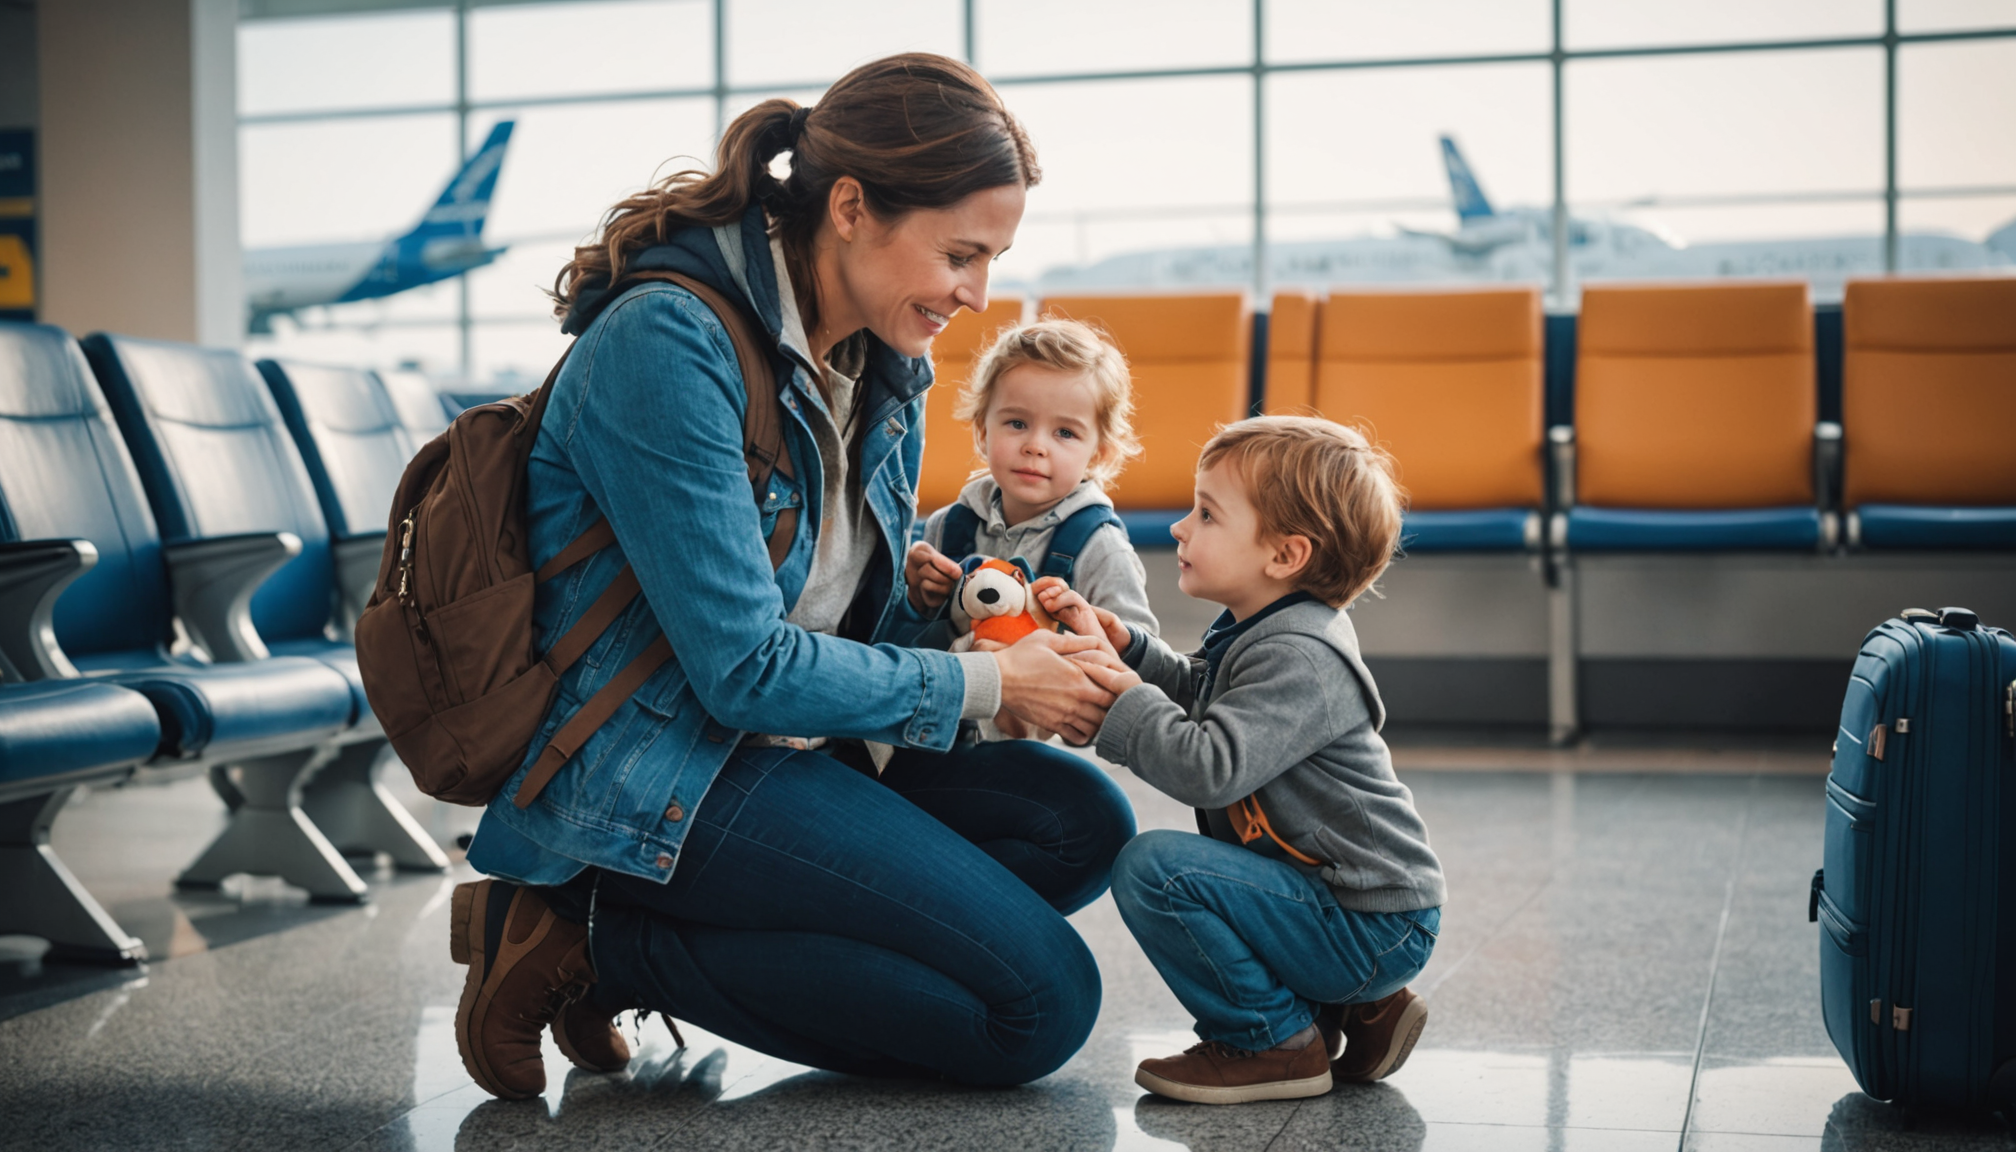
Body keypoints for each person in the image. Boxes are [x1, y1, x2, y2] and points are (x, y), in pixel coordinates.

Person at [445, 53, 1137, 1102]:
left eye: (990, 259)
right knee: (1036, 1011)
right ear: (852, 208)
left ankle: (653, 926)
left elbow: (838, 613)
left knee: (1083, 824)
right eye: (960, 253)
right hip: (665, 762)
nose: (976, 292)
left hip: (792, 745)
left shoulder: (881, 360)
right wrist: (993, 687)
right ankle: (587, 937)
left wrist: (965, 610)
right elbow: (743, 669)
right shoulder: (668, 342)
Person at [1040, 415, 1446, 1105]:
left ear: (1284, 556)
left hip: (1368, 919)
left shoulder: (1299, 656)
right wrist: (1131, 649)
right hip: (1343, 901)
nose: (1180, 528)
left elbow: (1210, 764)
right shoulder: (1265, 628)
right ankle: (1352, 1007)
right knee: (1196, 871)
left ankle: (1274, 1041)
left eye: (1206, 514)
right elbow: (1203, 693)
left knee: (1156, 870)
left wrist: (1121, 701)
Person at [896, 318, 1158, 741]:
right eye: (1017, 423)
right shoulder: (947, 526)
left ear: (1099, 453)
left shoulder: (1100, 547)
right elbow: (907, 641)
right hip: (932, 732)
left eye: (1065, 432)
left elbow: (1136, 666)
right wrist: (915, 597)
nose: (1036, 445)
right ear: (982, 430)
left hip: (1025, 748)